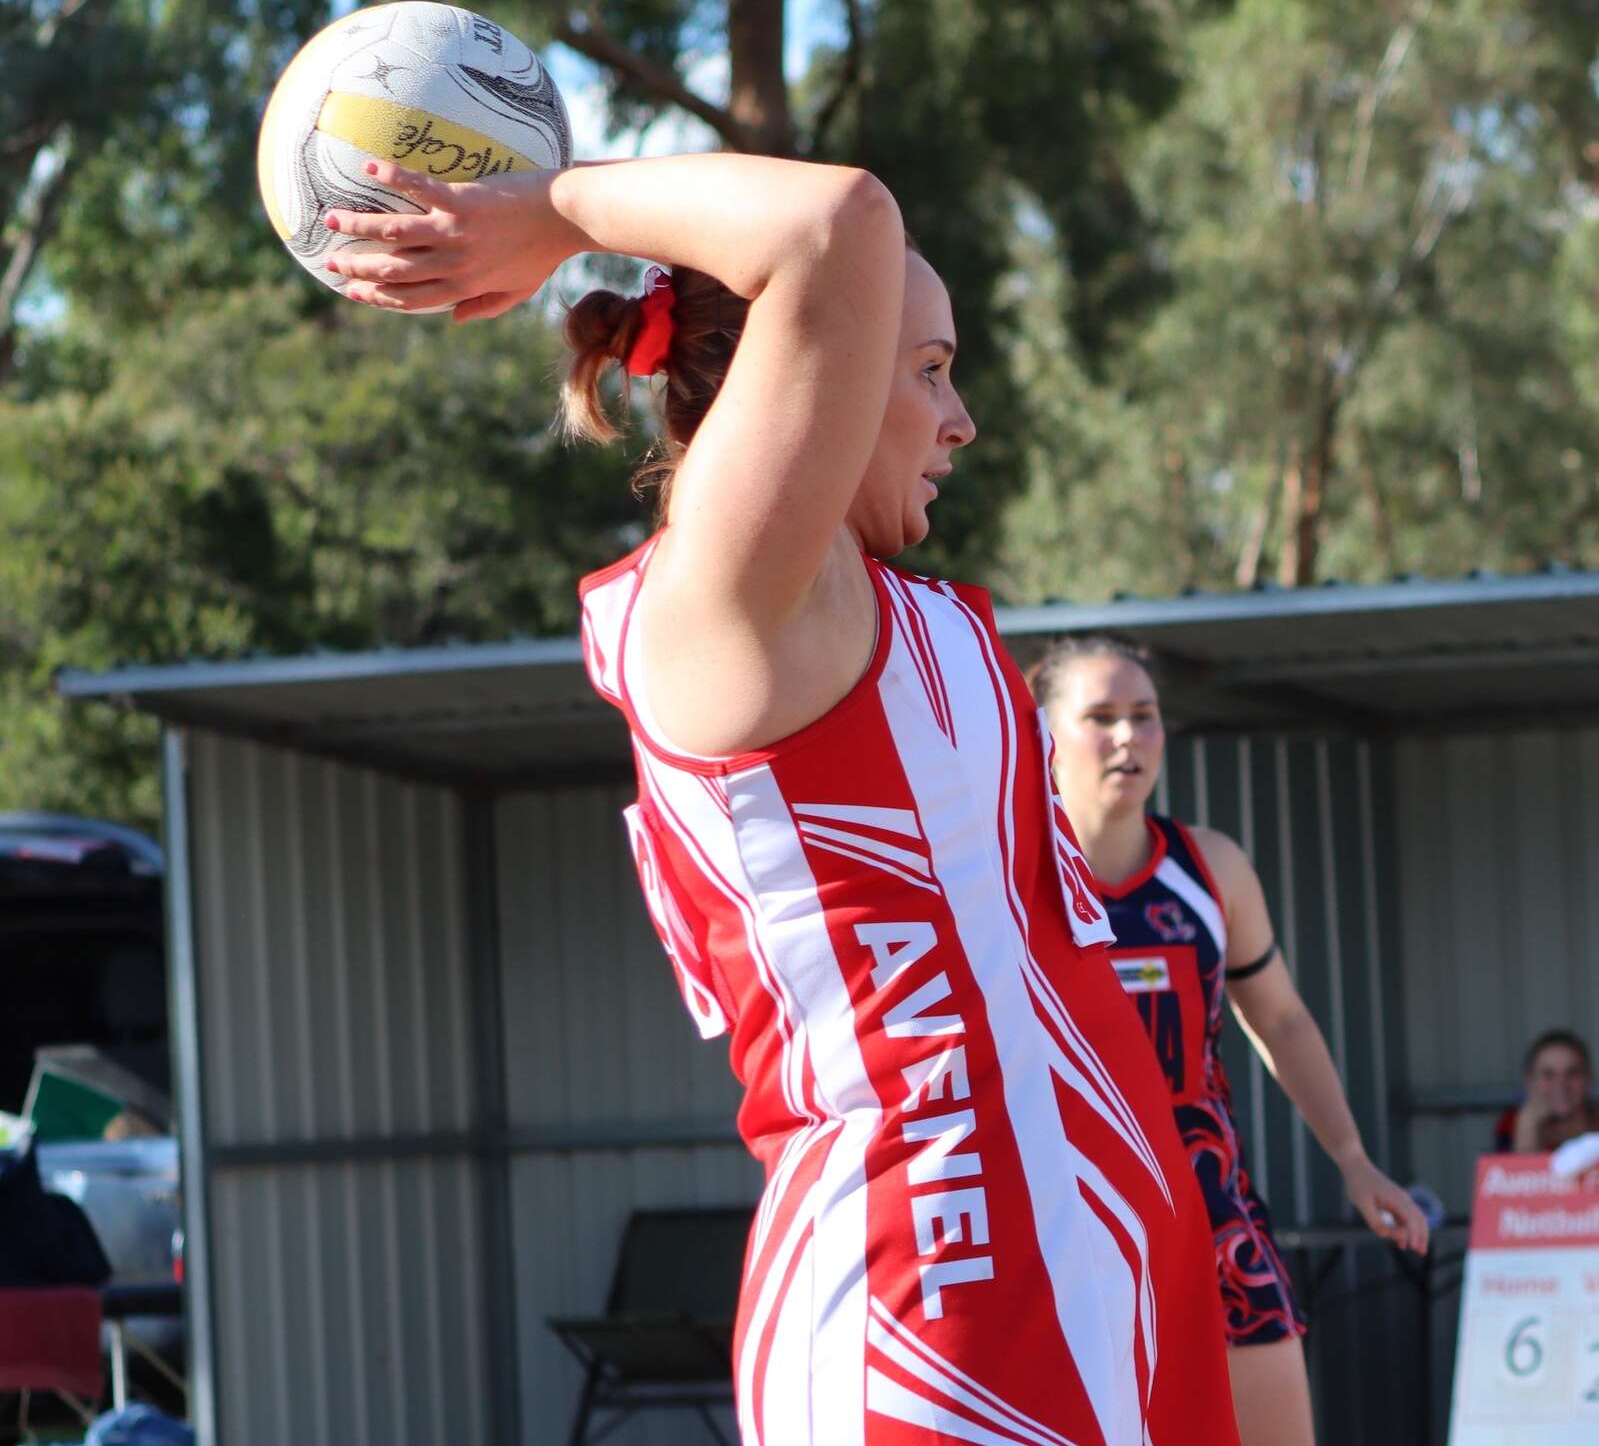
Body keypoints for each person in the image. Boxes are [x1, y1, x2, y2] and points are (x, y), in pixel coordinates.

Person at [322, 153, 1240, 1444]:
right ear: (813, 374)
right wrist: (552, 216)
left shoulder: (896, 615)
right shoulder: (734, 604)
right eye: (925, 368)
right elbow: (834, 219)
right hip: (935, 1306)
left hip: (1085, 1280)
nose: (959, 416)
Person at [1031, 635, 1428, 1446]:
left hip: (1208, 1208)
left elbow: (1277, 1016)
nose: (1126, 738)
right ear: (1043, 736)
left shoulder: (1210, 867)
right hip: (1064, 1214)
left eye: (1143, 718)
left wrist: (1353, 1159)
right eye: (1099, 717)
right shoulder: (1010, 871)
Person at [1494, 1029, 1599, 1153]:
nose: (1560, 1085)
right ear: (1530, 1081)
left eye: (1572, 1073)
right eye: (1548, 1075)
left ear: (1588, 1078)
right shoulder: (1511, 1123)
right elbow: (1508, 1171)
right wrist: (1527, 1127)